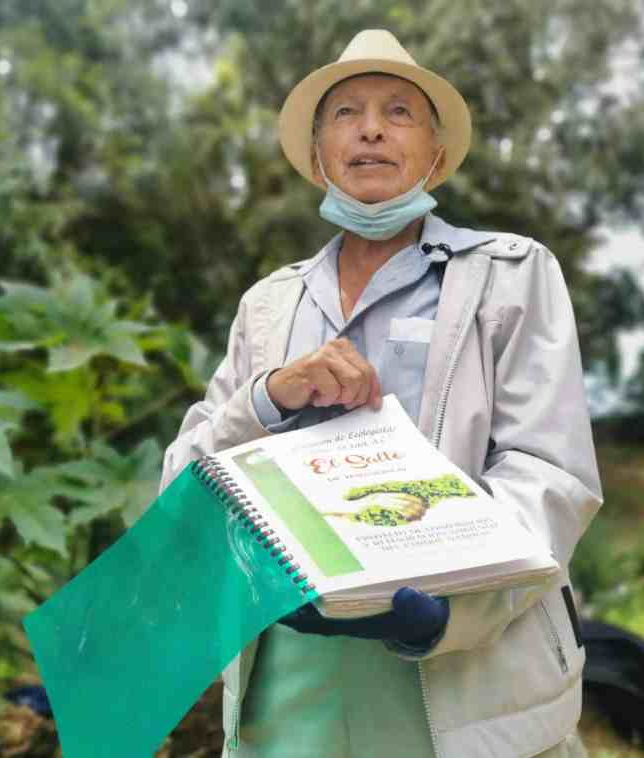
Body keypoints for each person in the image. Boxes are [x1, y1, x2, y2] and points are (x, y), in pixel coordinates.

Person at [159, 29, 602, 758]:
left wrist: (446, 609)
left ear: (435, 154)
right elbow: (183, 485)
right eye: (345, 114)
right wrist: (267, 397)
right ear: (318, 156)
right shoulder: (268, 305)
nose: (370, 128)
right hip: (286, 689)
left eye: (399, 111)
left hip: (465, 686)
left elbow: (551, 476)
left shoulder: (512, 276)